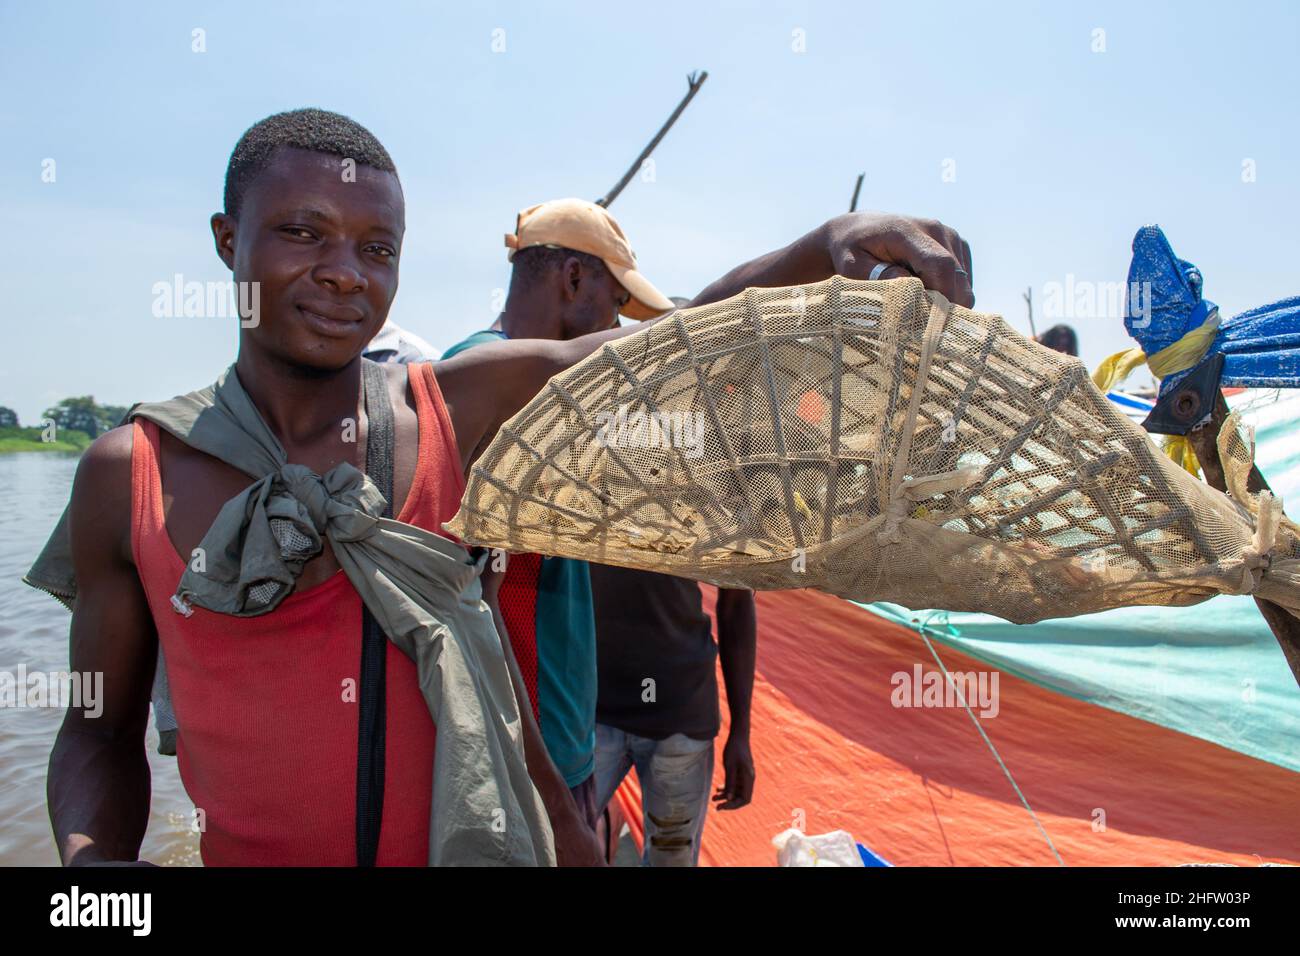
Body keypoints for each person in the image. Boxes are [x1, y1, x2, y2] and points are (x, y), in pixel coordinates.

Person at [39, 106, 976, 867]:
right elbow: (95, 732)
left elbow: (662, 347)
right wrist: (94, 882)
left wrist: (826, 243)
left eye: (379, 248)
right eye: (301, 232)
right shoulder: (132, 473)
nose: (344, 273)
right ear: (225, 240)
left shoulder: (448, 410)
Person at [439, 199, 675, 832]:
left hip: (557, 755)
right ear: (573, 279)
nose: (615, 324)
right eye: (615, 303)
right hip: (520, 765)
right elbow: (477, 620)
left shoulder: (544, 399)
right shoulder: (492, 392)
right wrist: (556, 806)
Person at [590, 567, 756, 866]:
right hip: (590, 707)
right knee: (558, 839)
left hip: (679, 715)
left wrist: (741, 732)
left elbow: (736, 603)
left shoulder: (716, 519)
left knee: (671, 859)